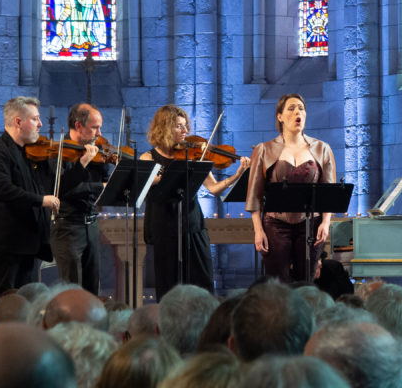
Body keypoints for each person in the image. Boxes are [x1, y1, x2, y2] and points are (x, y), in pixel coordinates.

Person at [140, 105, 251, 300]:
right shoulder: (148, 157)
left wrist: (238, 174)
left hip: (192, 224)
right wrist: (172, 172)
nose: (185, 131)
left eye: (185, 126)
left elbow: (214, 188)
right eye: (179, 126)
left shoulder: (191, 155)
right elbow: (149, 181)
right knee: (169, 284)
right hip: (164, 226)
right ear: (164, 128)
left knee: (202, 282)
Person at [246, 94, 337, 282]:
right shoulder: (264, 149)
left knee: (306, 282)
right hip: (275, 225)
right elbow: (254, 195)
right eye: (291, 108)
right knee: (278, 283)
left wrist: (326, 222)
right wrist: (258, 230)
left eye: (301, 108)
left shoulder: (322, 149)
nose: (298, 112)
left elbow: (329, 192)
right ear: (280, 116)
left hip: (311, 225)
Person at [0, 96, 60, 311]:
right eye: (35, 119)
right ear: (18, 122)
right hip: (6, 242)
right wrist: (41, 200)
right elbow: (4, 190)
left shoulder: (29, 153)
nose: (40, 124)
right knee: (2, 299)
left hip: (28, 242)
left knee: (26, 303)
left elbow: (44, 185)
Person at [40, 103, 108, 294]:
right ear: (78, 126)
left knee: (92, 289)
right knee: (72, 290)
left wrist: (95, 180)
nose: (99, 133)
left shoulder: (98, 150)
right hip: (68, 227)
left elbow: (106, 184)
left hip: (92, 225)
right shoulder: (57, 152)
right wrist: (83, 163)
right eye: (95, 128)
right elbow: (61, 190)